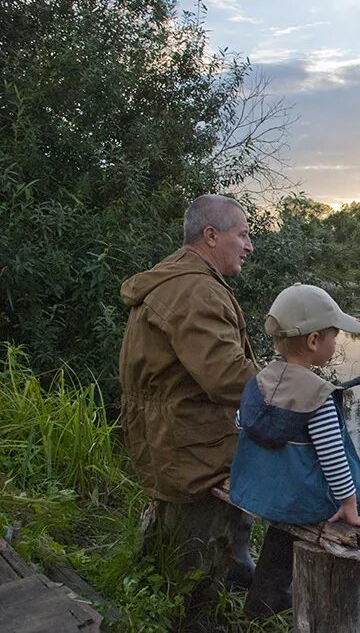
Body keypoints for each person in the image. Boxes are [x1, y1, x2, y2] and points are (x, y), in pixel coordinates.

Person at [229, 283, 360, 617]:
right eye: (334, 335)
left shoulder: (259, 382)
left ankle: (265, 600)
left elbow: (241, 423)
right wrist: (349, 504)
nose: (336, 341)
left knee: (292, 516)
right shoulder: (318, 399)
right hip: (303, 502)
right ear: (314, 341)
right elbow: (333, 458)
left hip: (262, 493)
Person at [118, 194, 258, 599]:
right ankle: (204, 609)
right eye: (243, 235)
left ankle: (229, 584)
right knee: (194, 576)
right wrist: (293, 386)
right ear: (211, 236)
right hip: (192, 452)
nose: (249, 246)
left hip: (169, 439)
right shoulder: (196, 291)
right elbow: (228, 376)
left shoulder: (172, 280)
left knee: (189, 553)